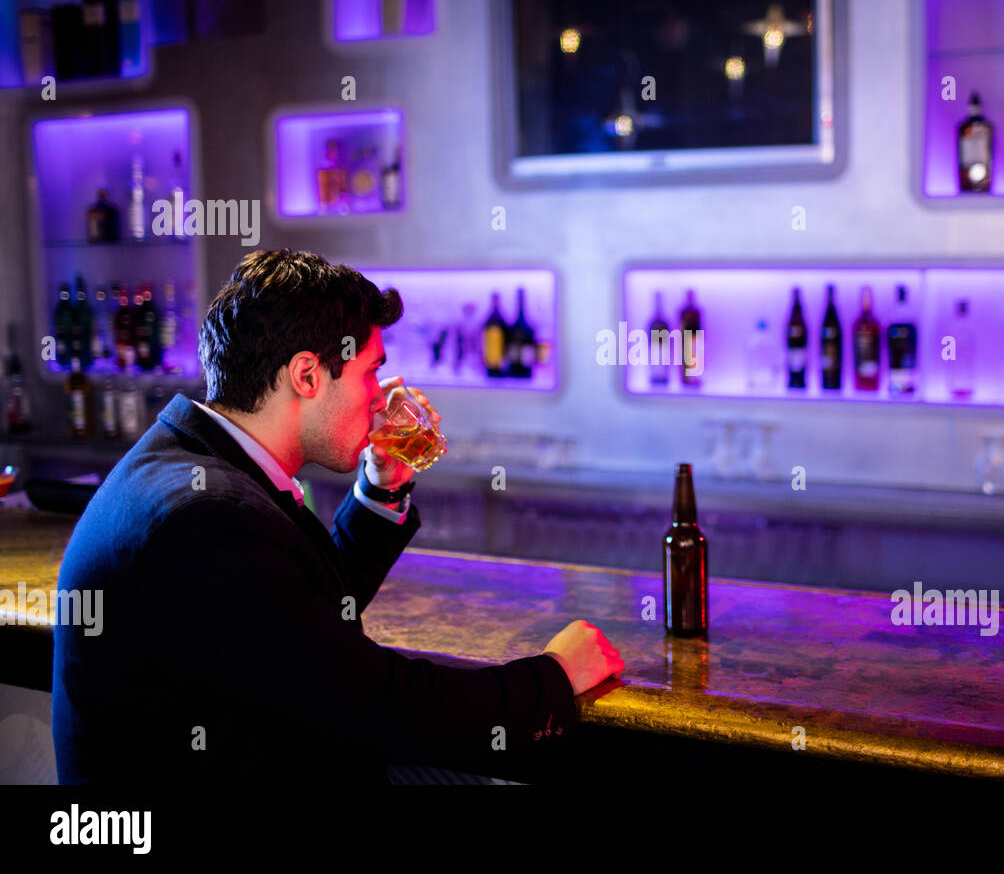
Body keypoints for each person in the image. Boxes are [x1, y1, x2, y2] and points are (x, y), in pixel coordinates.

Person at [52, 249, 623, 783]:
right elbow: (379, 705)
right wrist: (554, 677)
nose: (381, 396)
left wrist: (379, 486)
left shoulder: (190, 457)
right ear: (306, 376)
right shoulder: (206, 516)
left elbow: (299, 611)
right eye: (371, 371)